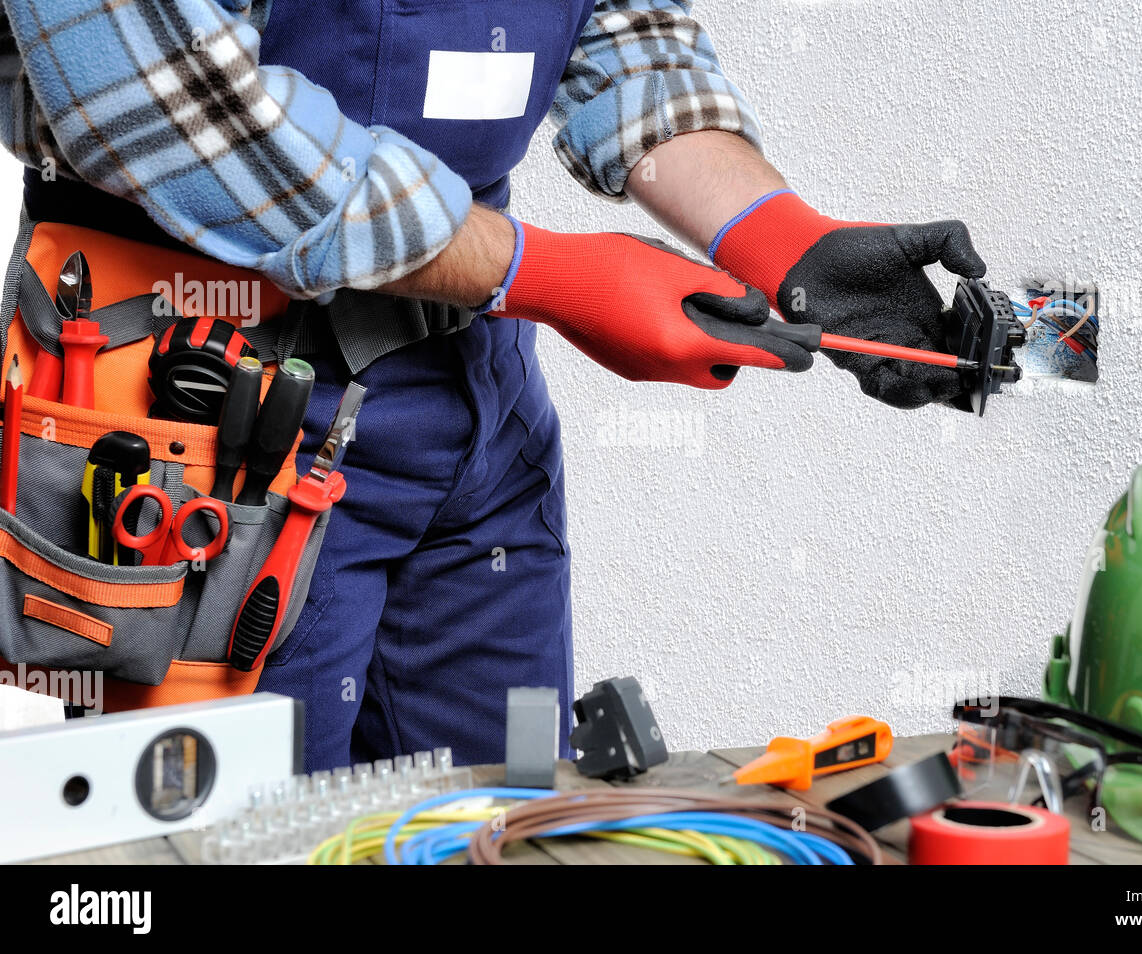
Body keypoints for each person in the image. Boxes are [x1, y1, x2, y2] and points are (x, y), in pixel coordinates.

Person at [0, 0, 986, 771]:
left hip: (472, 394)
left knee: (501, 805)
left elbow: (622, 24)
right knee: (234, 832)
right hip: (210, 399)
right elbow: (171, 116)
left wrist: (783, 241)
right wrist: (550, 275)